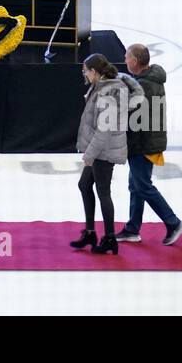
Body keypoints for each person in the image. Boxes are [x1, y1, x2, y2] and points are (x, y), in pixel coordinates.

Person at [115, 44, 182, 246]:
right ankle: (132, 229)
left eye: (127, 57)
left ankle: (173, 222)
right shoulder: (147, 80)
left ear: (135, 61)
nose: (125, 60)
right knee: (136, 185)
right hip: (147, 141)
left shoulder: (144, 86)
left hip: (144, 143)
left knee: (143, 185)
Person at [70, 53, 130, 255]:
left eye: (85, 70)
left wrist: (90, 154)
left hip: (104, 150)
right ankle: (90, 232)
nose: (84, 74)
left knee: (103, 191)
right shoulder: (102, 86)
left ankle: (110, 238)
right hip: (101, 148)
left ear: (94, 71)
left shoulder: (109, 92)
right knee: (85, 185)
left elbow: (104, 129)